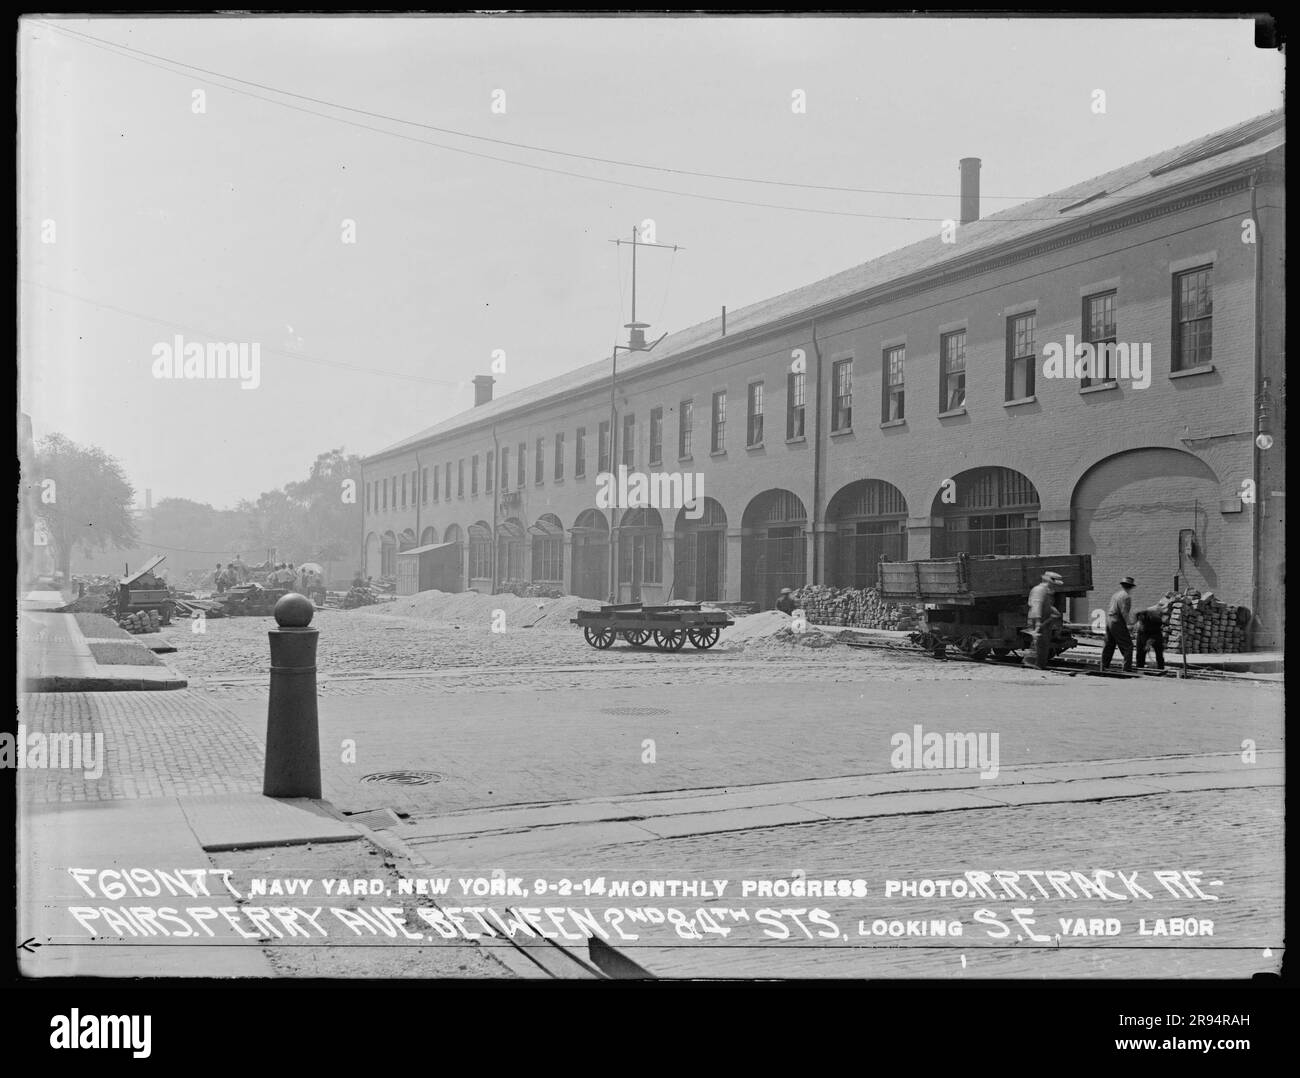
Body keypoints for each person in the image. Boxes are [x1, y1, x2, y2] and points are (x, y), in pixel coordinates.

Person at [1023, 571, 1063, 669]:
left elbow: (1047, 605)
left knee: (1042, 643)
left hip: (1045, 620)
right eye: (1054, 584)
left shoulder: (1047, 591)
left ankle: (1038, 664)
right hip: (1038, 620)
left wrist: (1054, 612)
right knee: (1039, 643)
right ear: (1049, 582)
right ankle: (1033, 664)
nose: (1056, 587)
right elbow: (1036, 606)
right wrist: (1038, 623)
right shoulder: (1039, 590)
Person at [1101, 575, 1137, 672]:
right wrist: (1129, 624)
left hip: (1109, 620)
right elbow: (1124, 612)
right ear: (1131, 587)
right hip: (1117, 621)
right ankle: (1126, 669)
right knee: (1128, 646)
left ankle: (1103, 666)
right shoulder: (1126, 597)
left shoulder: (1116, 594)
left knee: (1109, 644)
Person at [1133, 598, 1168, 671]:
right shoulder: (1139, 620)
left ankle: (1160, 668)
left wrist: (1149, 642)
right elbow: (1141, 631)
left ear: (1144, 615)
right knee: (1140, 652)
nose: (1140, 619)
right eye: (1138, 618)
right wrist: (1144, 644)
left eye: (1141, 617)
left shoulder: (1154, 619)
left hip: (1155, 634)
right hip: (1142, 634)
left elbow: (1156, 632)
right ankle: (1139, 667)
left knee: (1159, 653)